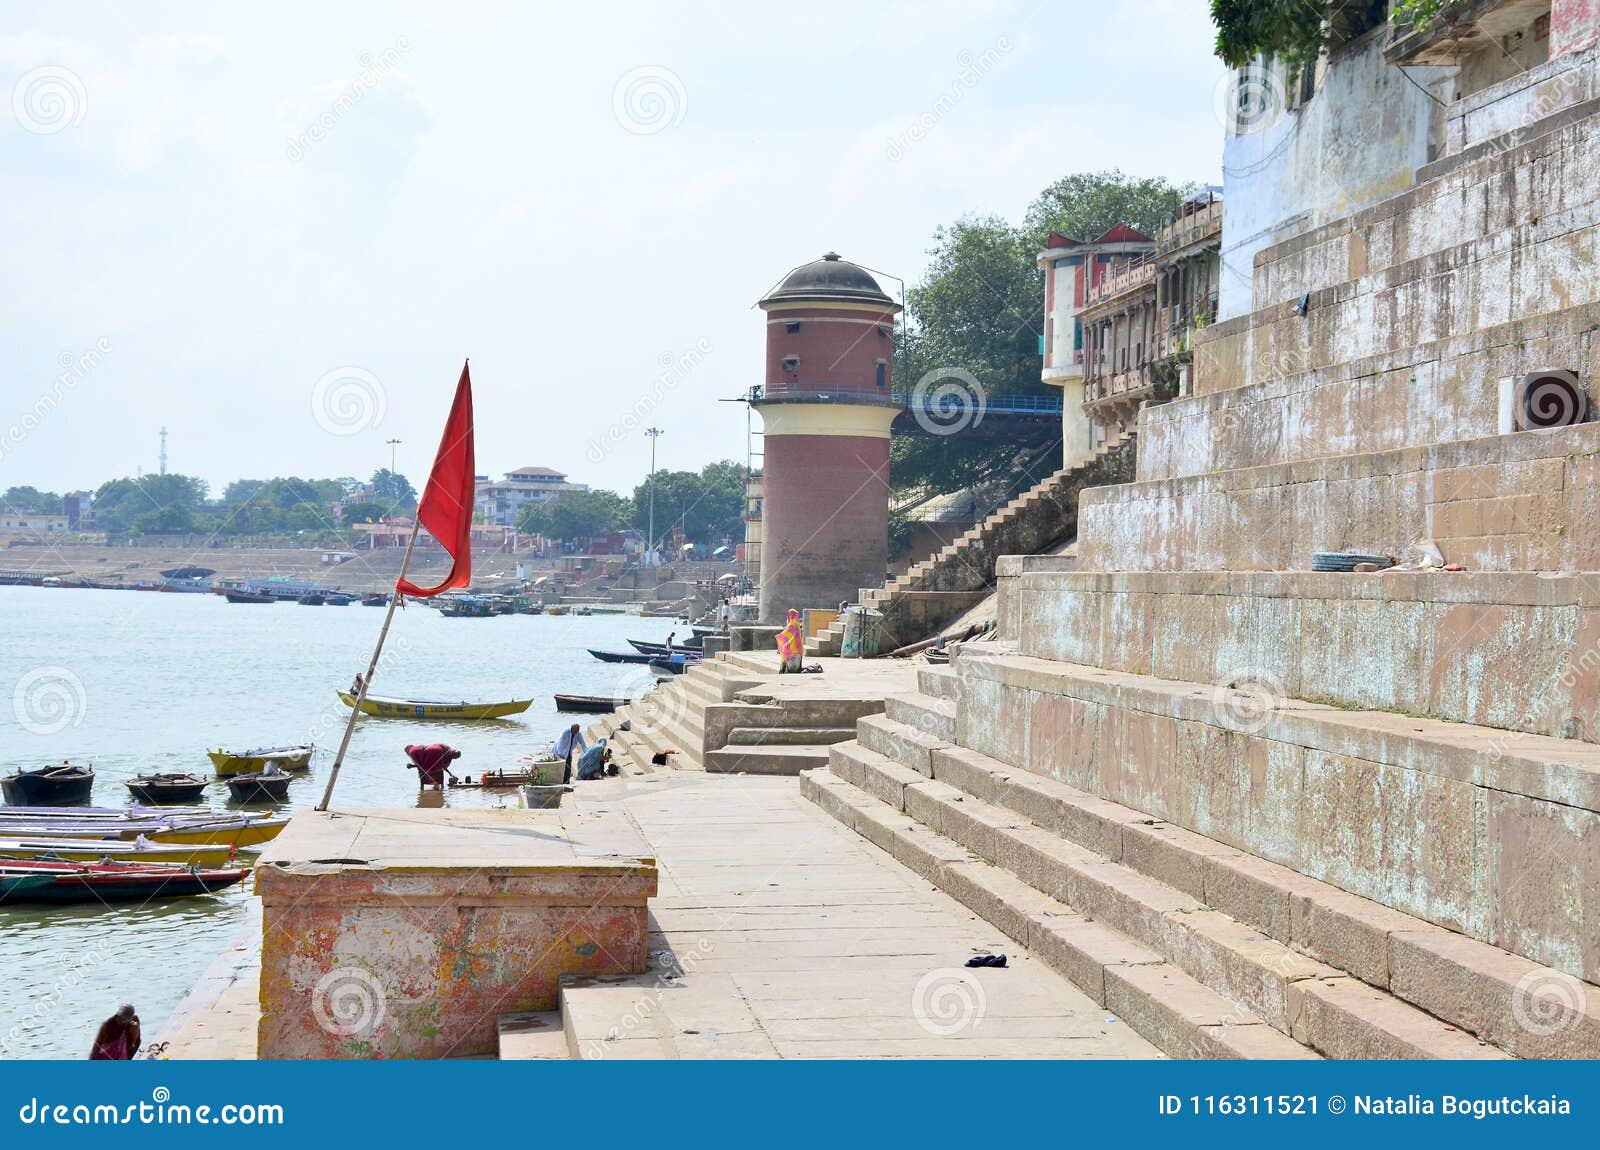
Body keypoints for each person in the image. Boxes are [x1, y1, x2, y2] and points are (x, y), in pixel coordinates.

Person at [776, 608, 804, 673]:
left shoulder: (792, 625)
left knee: (789, 666)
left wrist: (779, 637)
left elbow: (786, 635)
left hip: (792, 649)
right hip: (798, 648)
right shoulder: (797, 624)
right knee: (797, 666)